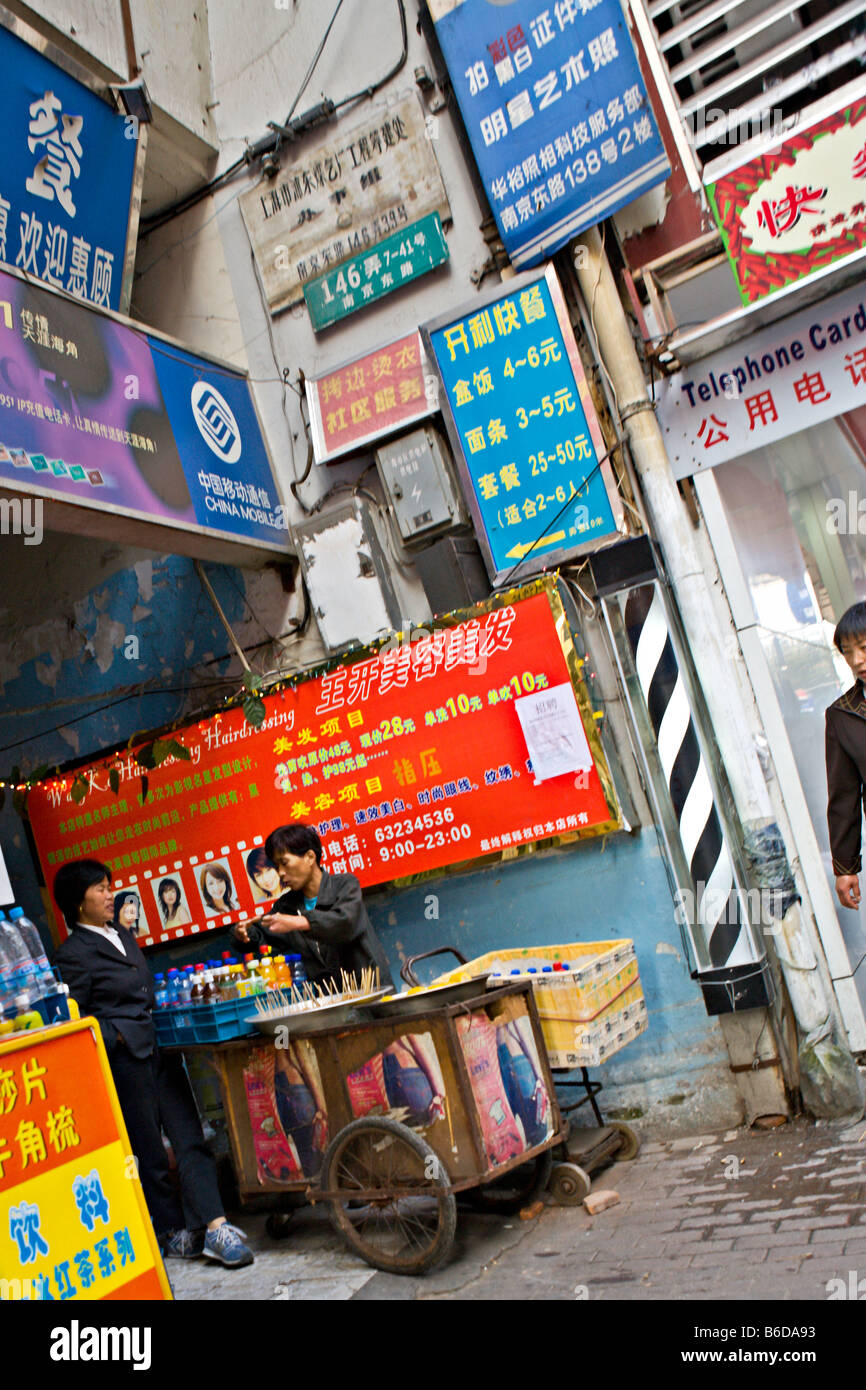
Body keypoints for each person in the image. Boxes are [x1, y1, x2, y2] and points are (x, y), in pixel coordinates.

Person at [53, 859, 254, 1268]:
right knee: (149, 1150)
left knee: (189, 1136)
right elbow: (77, 1013)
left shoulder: (122, 935)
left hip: (159, 1050)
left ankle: (216, 1226)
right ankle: (172, 1231)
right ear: (78, 902)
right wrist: (119, 1037)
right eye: (100, 889)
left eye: (110, 886)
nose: (111, 895)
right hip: (126, 1062)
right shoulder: (72, 953)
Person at [232, 823, 394, 991]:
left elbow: (346, 922)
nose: (280, 873)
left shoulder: (344, 885)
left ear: (310, 857)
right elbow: (263, 934)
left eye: (284, 863)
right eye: (277, 866)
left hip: (373, 993)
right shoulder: (287, 905)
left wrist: (300, 922)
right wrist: (244, 934)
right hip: (330, 1003)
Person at [826, 602, 866, 911]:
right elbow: (844, 796)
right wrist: (845, 866)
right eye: (848, 652)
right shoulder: (842, 716)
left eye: (864, 648)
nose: (857, 660)